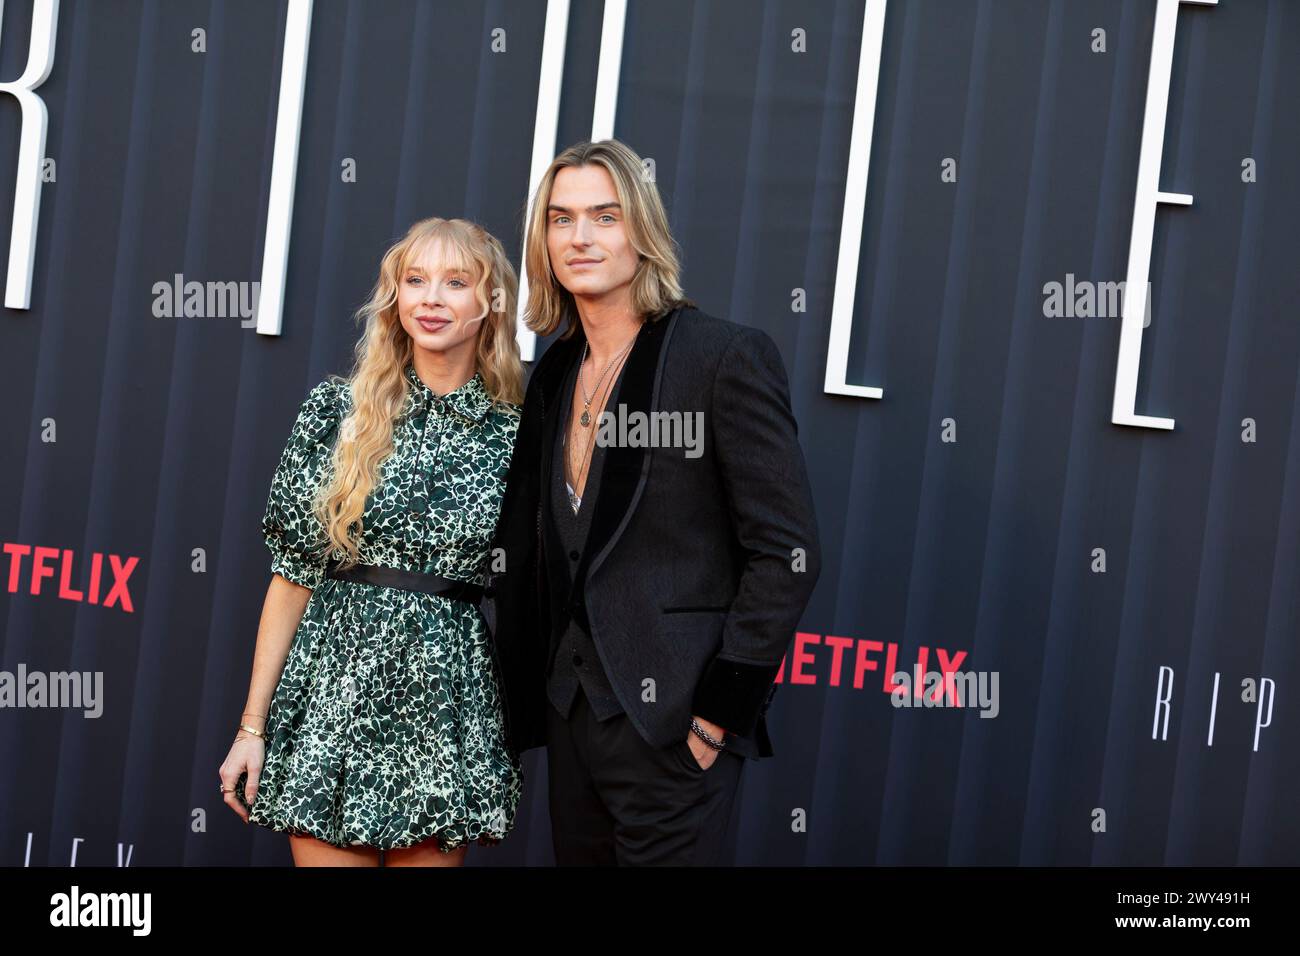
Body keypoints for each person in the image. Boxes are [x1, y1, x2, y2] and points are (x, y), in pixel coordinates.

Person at [481, 139, 822, 865]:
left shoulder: (720, 357)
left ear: (641, 232)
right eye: (561, 218)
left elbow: (787, 554)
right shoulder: (552, 376)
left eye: (604, 217)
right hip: (572, 717)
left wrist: (716, 717)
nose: (580, 237)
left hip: (675, 724)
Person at [219, 217, 525, 867]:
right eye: (415, 281)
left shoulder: (516, 436)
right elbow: (293, 576)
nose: (431, 298)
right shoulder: (339, 410)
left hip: (443, 702)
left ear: (489, 302)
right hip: (335, 687)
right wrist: (253, 727)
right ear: (395, 298)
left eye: (455, 281)